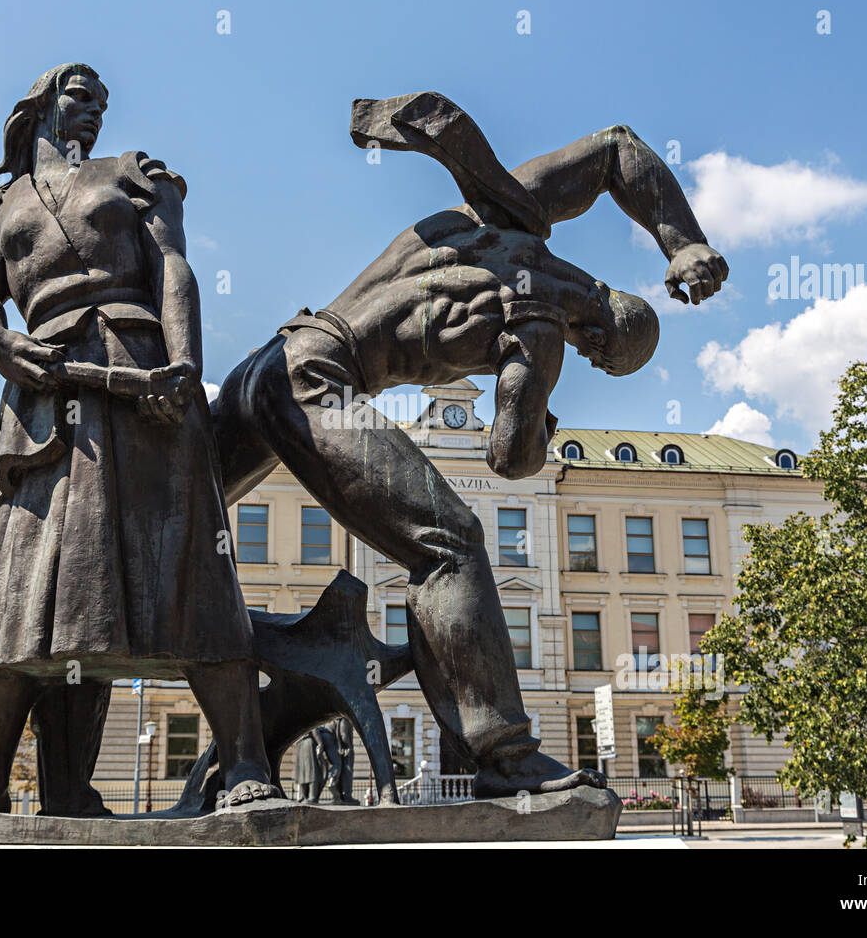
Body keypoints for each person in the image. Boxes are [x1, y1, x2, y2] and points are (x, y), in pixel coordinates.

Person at [211, 99, 728, 797]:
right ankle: (505, 755)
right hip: (315, 383)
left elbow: (614, 147)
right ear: (597, 340)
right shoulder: (540, 330)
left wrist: (683, 243)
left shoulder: (513, 217)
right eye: (597, 357)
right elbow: (509, 459)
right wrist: (539, 418)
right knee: (449, 540)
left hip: (264, 365)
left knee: (158, 537)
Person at [0, 63, 277, 811]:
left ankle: (246, 764)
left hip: (138, 371)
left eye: (103, 104)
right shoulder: (4, 203)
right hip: (44, 390)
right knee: (20, 584)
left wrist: (184, 368)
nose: (94, 113)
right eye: (81, 97)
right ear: (42, 104)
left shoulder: (134, 174)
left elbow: (174, 268)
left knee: (189, 568)